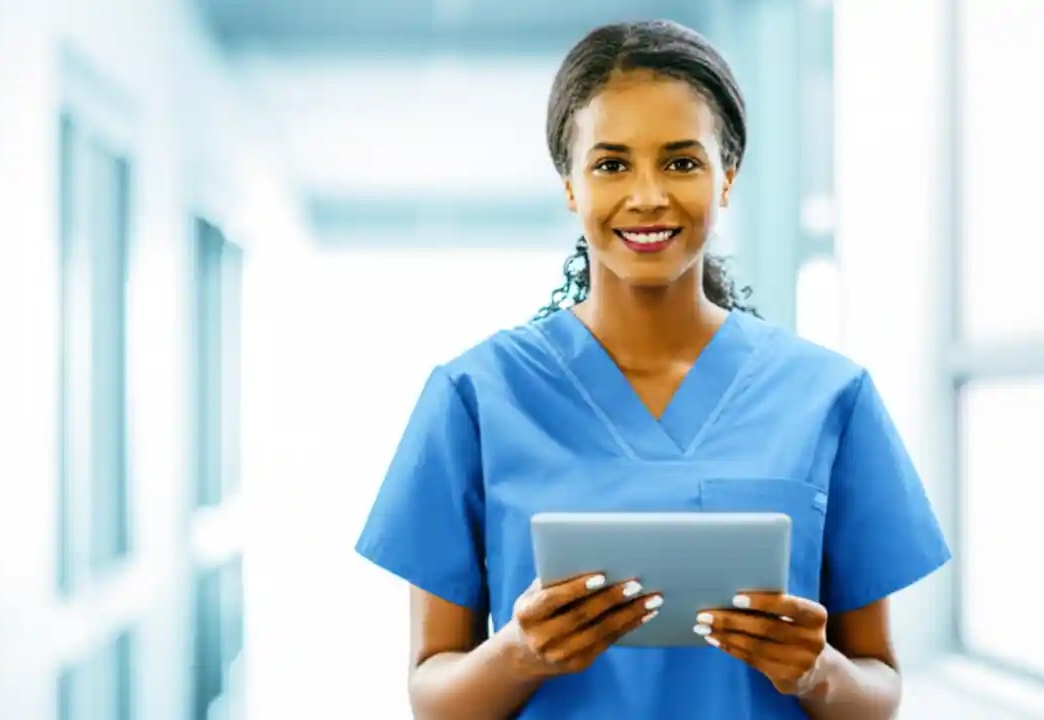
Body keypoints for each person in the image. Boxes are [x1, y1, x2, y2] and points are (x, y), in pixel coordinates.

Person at [353, 18, 951, 720]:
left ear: (726, 178)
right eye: (611, 164)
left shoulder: (829, 398)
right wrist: (520, 653)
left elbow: (878, 689)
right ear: (570, 186)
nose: (647, 196)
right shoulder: (476, 397)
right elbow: (433, 696)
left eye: (681, 161)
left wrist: (814, 672)